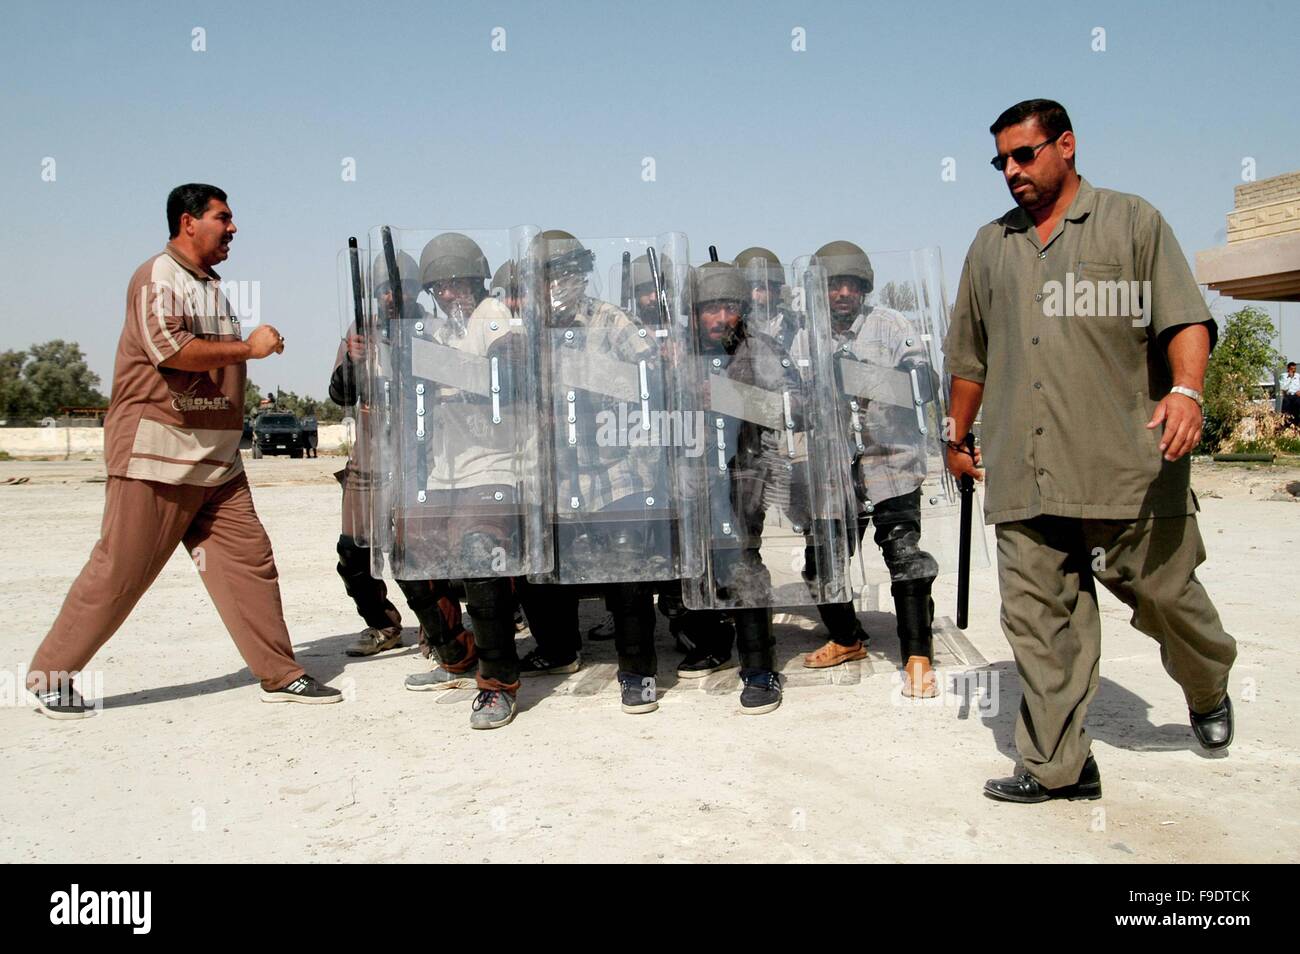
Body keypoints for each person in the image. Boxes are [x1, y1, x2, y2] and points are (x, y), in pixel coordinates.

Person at [942, 100, 1237, 803]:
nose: (1011, 171)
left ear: (1066, 145)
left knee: (1169, 599)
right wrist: (955, 438)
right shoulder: (989, 247)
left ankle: (1208, 684)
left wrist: (1187, 393)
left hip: (1127, 468)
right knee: (1041, 628)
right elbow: (969, 360)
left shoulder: (1131, 223)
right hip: (1023, 471)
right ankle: (1059, 767)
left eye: (1024, 155)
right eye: (1000, 162)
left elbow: (1185, 319)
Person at [26, 183, 341, 718]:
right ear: (188, 222)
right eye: (224, 217)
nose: (233, 228)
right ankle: (49, 678)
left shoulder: (208, 285)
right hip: (158, 456)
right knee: (121, 571)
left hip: (216, 464)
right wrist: (251, 348)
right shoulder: (159, 277)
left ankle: (280, 672)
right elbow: (172, 350)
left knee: (249, 563)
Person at [800, 241, 941, 697]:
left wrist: (863, 379)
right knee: (820, 560)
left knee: (904, 556)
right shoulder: (806, 336)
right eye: (832, 286)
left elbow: (924, 382)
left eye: (849, 285)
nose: (841, 293)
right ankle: (846, 638)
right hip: (834, 464)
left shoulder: (889, 325)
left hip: (890, 459)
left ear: (863, 288)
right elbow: (791, 400)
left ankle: (918, 655)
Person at [327, 249, 469, 663]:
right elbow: (340, 395)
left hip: (424, 453)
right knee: (354, 552)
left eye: (401, 288)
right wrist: (353, 361)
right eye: (385, 290)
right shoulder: (360, 330)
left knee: (422, 549)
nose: (392, 297)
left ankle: (438, 629)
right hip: (371, 455)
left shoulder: (436, 329)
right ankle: (383, 624)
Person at [1281, 361, 1300, 426]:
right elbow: (1283, 388)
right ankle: (1287, 428)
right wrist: (1290, 378)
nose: (1293, 370)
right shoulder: (1283, 376)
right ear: (1288, 369)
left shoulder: (1298, 376)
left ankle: (1296, 427)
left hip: (1296, 397)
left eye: (1295, 369)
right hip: (1288, 397)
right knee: (1286, 414)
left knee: (1297, 413)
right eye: (1292, 369)